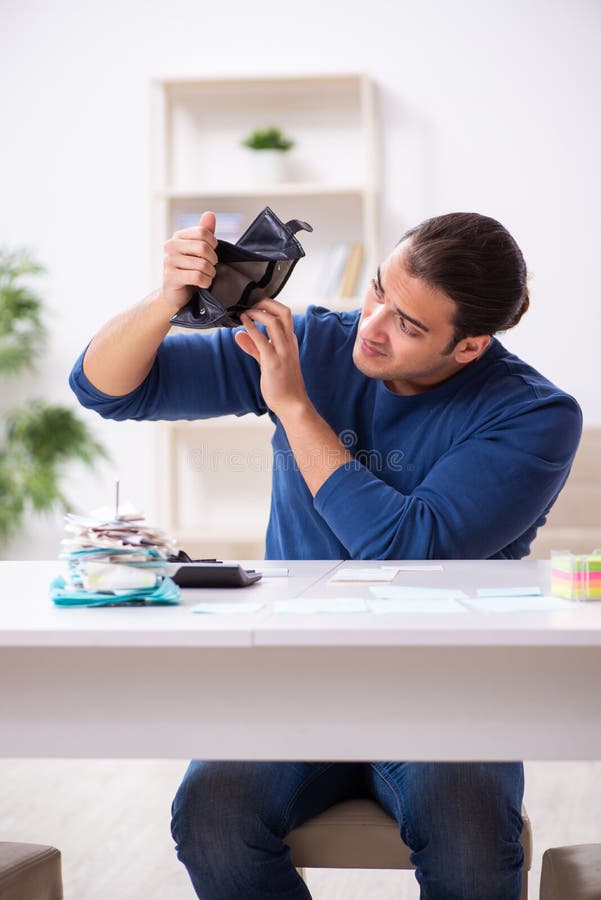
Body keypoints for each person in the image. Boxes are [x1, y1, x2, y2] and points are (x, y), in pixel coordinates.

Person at [70, 210, 581, 899]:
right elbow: (106, 389)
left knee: (466, 834)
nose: (371, 326)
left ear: (468, 347)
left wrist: (294, 408)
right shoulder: (314, 341)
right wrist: (168, 298)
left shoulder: (533, 415)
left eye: (408, 324)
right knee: (212, 814)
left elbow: (404, 549)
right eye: (377, 292)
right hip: (294, 677)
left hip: (442, 689)